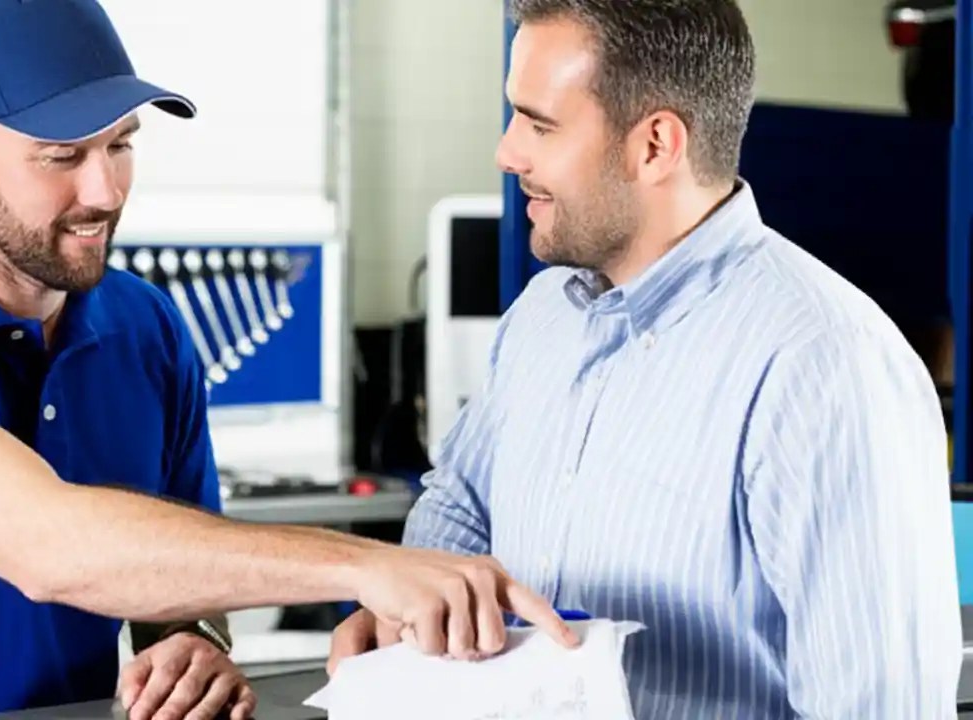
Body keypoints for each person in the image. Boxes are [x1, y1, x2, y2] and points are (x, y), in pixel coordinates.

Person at [0, 1, 576, 718]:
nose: (107, 190)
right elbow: (53, 549)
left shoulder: (145, 327)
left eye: (121, 145)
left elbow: (183, 595)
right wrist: (370, 565)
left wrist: (194, 643)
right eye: (62, 157)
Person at [329, 0, 964, 716]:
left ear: (656, 145)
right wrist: (421, 610)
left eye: (540, 123)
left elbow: (880, 705)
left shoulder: (822, 365)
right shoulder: (543, 317)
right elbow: (461, 505)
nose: (507, 152)